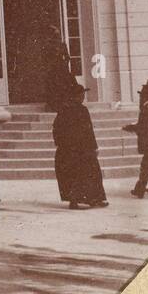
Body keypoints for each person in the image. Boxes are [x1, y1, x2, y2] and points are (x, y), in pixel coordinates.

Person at [51, 80, 107, 209]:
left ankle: (85, 199)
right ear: (74, 96)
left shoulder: (65, 110)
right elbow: (88, 130)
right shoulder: (79, 110)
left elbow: (56, 129)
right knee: (83, 174)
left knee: (77, 175)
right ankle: (86, 199)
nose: (82, 98)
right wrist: (93, 147)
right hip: (79, 150)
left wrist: (61, 144)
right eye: (80, 95)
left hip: (72, 149)